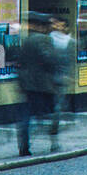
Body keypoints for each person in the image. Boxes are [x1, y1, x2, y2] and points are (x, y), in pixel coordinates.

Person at [17, 13, 57, 156]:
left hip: (26, 83)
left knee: (25, 116)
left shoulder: (26, 40)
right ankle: (53, 142)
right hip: (42, 84)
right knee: (50, 113)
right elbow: (49, 59)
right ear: (43, 26)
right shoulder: (45, 39)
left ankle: (23, 146)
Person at [50, 16, 74, 125]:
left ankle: (55, 120)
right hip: (55, 74)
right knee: (58, 99)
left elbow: (70, 60)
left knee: (58, 100)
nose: (56, 26)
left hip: (58, 75)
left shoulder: (50, 38)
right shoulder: (50, 38)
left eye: (59, 24)